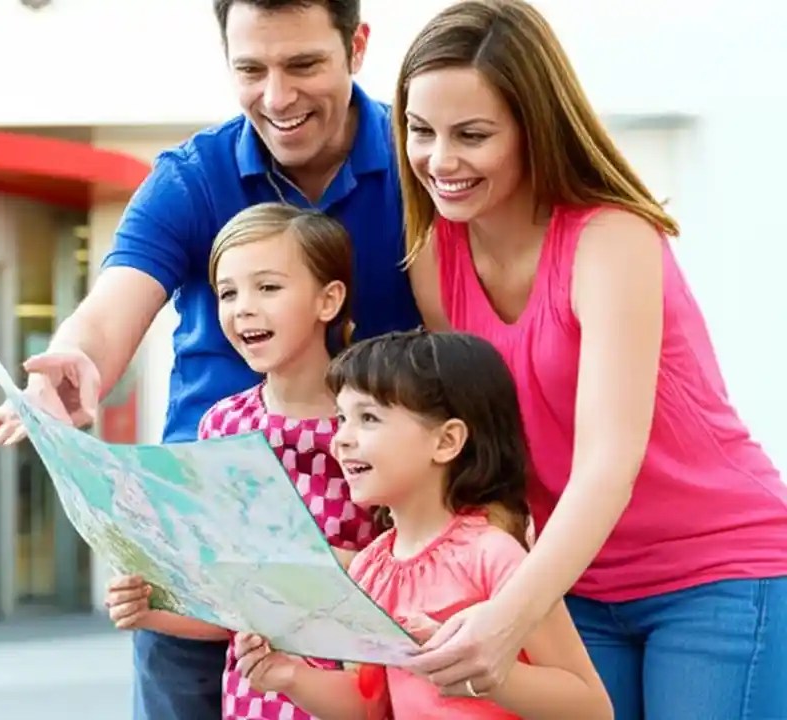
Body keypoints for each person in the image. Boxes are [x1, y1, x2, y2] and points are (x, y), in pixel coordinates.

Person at [0, 1, 421, 717]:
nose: (277, 97)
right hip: (199, 552)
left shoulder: (418, 162)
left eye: (303, 64)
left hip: (364, 570)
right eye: (251, 69)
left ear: (357, 47)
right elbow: (112, 307)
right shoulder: (192, 176)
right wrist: (77, 361)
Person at [389, 1, 787, 717]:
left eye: (472, 135)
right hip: (578, 582)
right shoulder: (433, 260)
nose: (440, 161)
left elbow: (608, 458)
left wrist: (509, 617)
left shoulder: (611, 239)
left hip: (716, 570)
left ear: (533, 130)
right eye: (421, 131)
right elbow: (484, 448)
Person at [234, 330, 613, 719]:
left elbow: (590, 707)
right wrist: (290, 677)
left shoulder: (494, 555)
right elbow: (371, 705)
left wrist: (478, 670)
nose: (341, 439)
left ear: (447, 441)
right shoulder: (368, 570)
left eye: (368, 418)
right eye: (341, 418)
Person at [103, 203, 385, 720]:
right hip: (255, 703)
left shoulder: (376, 422)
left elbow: (411, 570)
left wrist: (324, 569)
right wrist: (152, 609)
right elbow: (233, 605)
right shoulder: (223, 426)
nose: (243, 308)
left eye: (268, 288)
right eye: (228, 293)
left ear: (329, 299)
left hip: (361, 696)